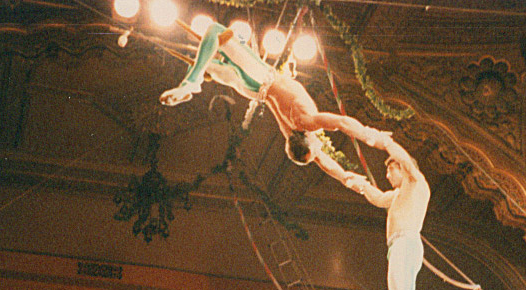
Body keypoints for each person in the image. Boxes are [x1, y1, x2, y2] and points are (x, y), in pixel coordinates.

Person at [159, 21, 385, 187]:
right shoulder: (292, 134)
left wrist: (370, 134)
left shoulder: (307, 123)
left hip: (260, 77)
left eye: (315, 152)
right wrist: (346, 178)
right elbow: (324, 163)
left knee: (216, 33)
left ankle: (191, 82)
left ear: (309, 141)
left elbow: (342, 123)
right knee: (207, 60)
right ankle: (195, 77)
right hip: (251, 91)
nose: (319, 153)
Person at [344, 134, 430, 290]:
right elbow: (376, 197)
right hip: (398, 247)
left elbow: (404, 158)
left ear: (402, 169)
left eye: (391, 171)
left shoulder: (416, 183)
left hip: (406, 243)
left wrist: (384, 142)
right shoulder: (395, 196)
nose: (388, 176)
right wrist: (354, 182)